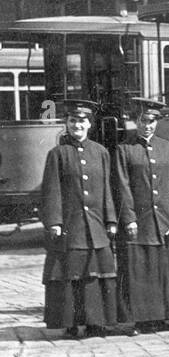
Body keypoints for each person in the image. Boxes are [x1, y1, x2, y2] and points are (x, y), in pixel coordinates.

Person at [41, 99, 120, 338]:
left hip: (96, 225)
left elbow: (107, 188)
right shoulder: (57, 154)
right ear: (66, 123)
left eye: (82, 121)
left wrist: (111, 220)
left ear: (90, 124)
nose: (78, 125)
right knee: (72, 274)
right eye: (73, 120)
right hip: (71, 225)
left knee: (96, 275)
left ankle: (97, 322)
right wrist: (54, 221)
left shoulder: (101, 152)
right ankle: (74, 323)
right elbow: (51, 190)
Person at [113, 98, 169, 333]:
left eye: (153, 121)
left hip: (163, 220)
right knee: (139, 270)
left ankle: (162, 317)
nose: (148, 126)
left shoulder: (167, 147)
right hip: (139, 222)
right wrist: (129, 218)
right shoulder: (124, 149)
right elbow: (122, 187)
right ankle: (141, 319)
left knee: (162, 269)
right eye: (144, 121)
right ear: (136, 121)